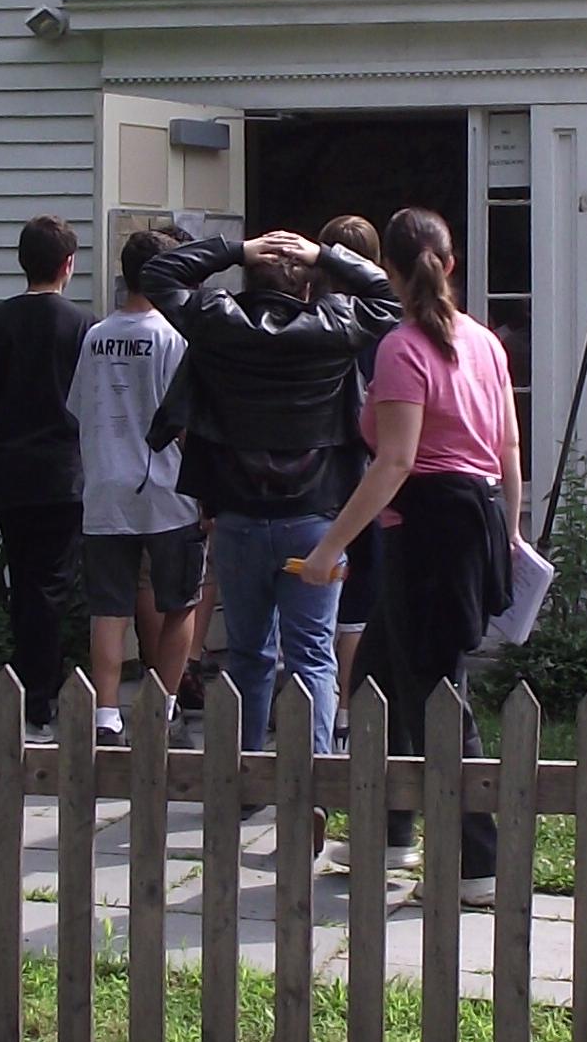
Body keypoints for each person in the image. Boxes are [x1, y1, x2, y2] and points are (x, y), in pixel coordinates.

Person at [302, 206, 520, 900]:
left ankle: (477, 864)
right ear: (449, 263)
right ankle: (388, 833)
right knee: (377, 678)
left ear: (391, 271)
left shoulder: (402, 348)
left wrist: (328, 546)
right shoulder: (485, 342)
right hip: (466, 521)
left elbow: (395, 461)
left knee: (437, 692)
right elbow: (509, 450)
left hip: (429, 529)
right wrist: (508, 535)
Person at [135, 224, 399, 758]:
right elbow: (387, 295)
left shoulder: (217, 321)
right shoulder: (335, 323)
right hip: (315, 518)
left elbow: (157, 273)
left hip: (239, 517)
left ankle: (249, 775)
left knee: (249, 655)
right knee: (313, 656)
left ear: (248, 279)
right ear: (307, 286)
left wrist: (235, 249)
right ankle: (315, 782)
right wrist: (324, 253)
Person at [70, 228, 204, 743]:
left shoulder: (96, 335)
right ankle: (163, 709)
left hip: (105, 487)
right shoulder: (172, 339)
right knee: (180, 603)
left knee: (109, 610)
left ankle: (105, 715)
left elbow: (79, 407)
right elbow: (188, 420)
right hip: (168, 490)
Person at [0, 214, 92, 731]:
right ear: (68, 264)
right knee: (53, 584)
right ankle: (40, 693)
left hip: (10, 468)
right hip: (64, 472)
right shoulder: (82, 324)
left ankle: (29, 682)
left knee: (24, 581)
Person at [315, 214, 388, 744]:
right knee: (361, 593)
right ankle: (346, 706)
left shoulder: (309, 322)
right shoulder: (385, 328)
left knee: (317, 594)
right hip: (371, 472)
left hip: (316, 474)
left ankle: (318, 704)